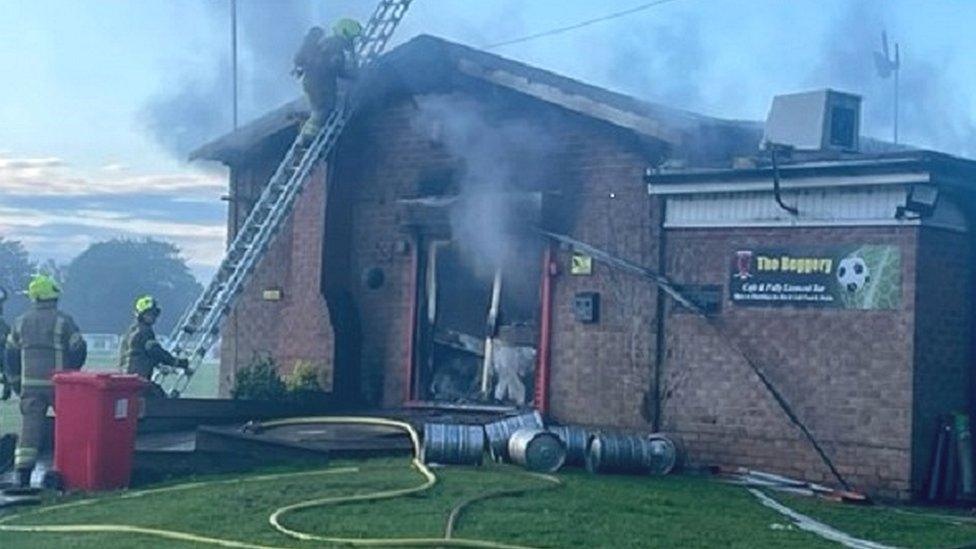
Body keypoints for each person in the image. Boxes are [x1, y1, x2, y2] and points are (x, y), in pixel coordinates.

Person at [3, 275, 87, 488]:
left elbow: (10, 354)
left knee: (30, 429)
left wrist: (15, 381)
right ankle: (67, 469)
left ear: (35, 297)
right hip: (60, 385)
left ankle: (22, 475)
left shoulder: (20, 321)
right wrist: (72, 373)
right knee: (69, 426)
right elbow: (78, 348)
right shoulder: (64, 320)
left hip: (29, 385)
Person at [293, 18, 362, 145]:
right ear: (346, 34)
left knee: (318, 111)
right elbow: (339, 69)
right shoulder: (336, 49)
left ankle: (306, 137)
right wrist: (354, 74)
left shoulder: (326, 43)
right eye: (352, 38)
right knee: (323, 111)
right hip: (321, 86)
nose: (352, 42)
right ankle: (308, 140)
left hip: (312, 82)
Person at [118, 295, 188, 398]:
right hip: (138, 380)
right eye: (149, 314)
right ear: (141, 315)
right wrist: (178, 362)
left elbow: (139, 354)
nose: (153, 317)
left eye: (154, 314)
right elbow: (156, 351)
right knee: (161, 400)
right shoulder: (145, 331)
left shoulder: (131, 331)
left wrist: (157, 364)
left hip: (127, 379)